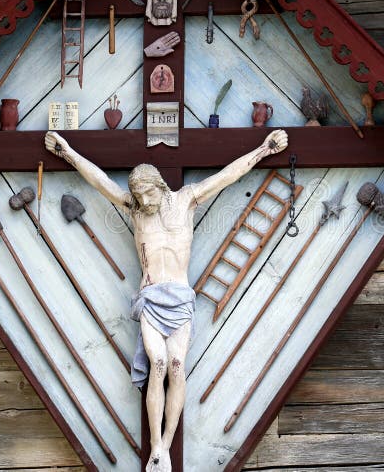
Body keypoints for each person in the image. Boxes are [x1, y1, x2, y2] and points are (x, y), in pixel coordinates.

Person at [44, 129, 288, 472]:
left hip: (181, 298)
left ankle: (167, 445)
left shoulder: (186, 199)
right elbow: (100, 182)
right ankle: (156, 447)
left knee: (176, 366)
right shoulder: (135, 208)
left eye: (148, 193)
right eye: (138, 196)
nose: (144, 201)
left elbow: (227, 176)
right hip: (151, 298)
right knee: (157, 364)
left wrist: (263, 150)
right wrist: (68, 153)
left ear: (160, 186)